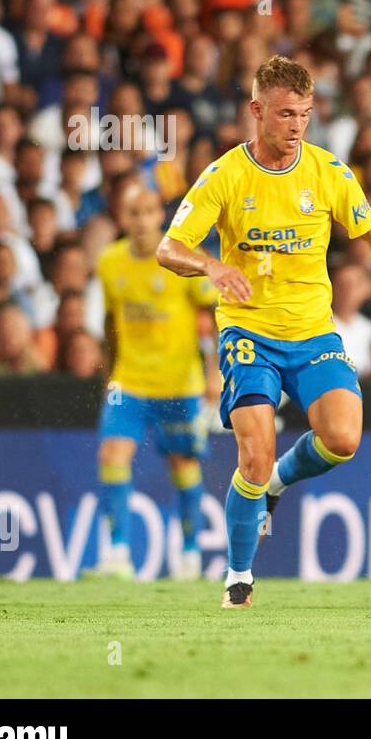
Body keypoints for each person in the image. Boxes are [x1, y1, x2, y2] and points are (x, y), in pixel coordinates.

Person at [156, 55, 371, 608]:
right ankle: (239, 577)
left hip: (313, 334)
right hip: (248, 333)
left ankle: (280, 483)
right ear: (257, 111)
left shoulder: (328, 173)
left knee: (343, 439)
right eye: (285, 114)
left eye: (305, 115)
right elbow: (169, 248)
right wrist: (212, 266)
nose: (296, 126)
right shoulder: (225, 175)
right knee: (252, 455)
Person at [92, 184, 216, 580]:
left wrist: (215, 371)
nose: (142, 221)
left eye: (148, 211)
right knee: (112, 455)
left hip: (180, 383)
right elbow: (110, 322)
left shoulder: (179, 260)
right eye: (133, 213)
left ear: (159, 216)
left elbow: (211, 315)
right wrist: (109, 370)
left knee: (183, 466)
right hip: (129, 381)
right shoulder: (110, 263)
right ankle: (118, 553)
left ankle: (192, 552)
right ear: (122, 219)